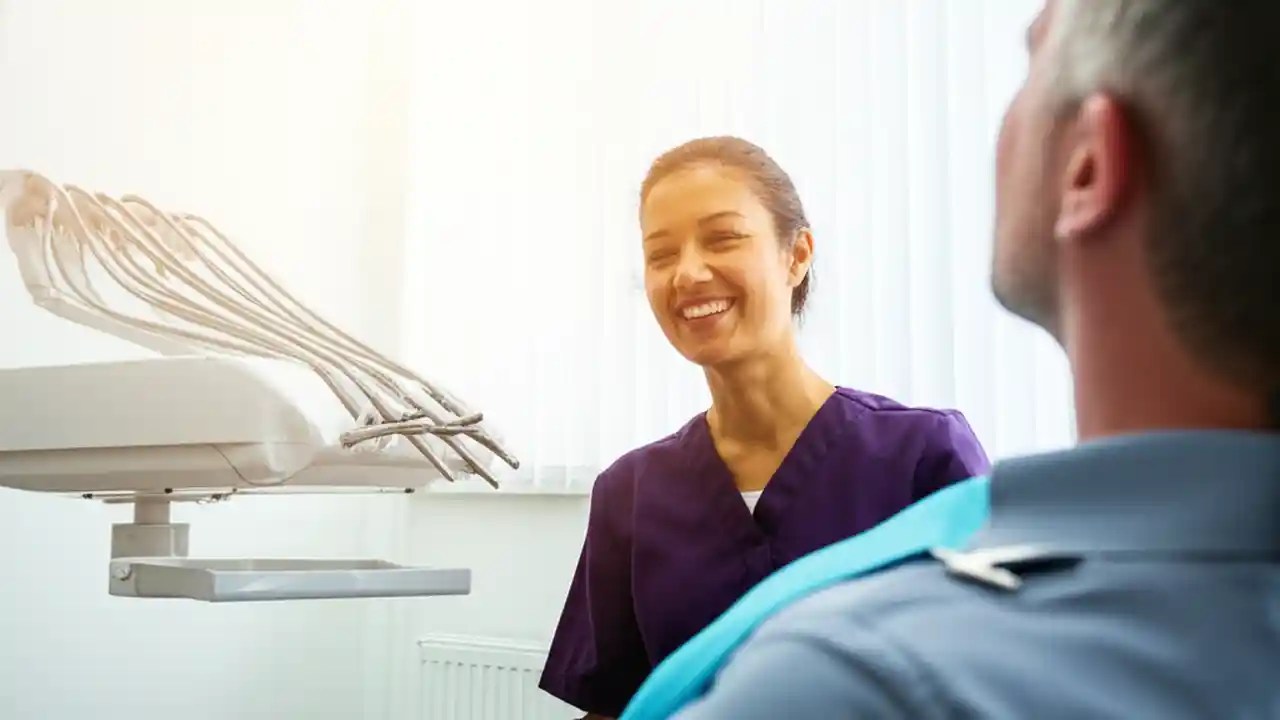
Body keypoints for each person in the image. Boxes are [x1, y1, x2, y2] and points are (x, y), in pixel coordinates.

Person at [642, 1, 1280, 718]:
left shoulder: (843, 682)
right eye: (660, 252)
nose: (688, 273)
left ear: (1088, 167)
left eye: (1031, 60)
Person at [538, 136, 991, 718]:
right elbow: (612, 707)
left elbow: (989, 680)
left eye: (723, 238)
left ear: (796, 255)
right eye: (661, 253)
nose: (688, 273)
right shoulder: (629, 492)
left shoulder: (922, 458)